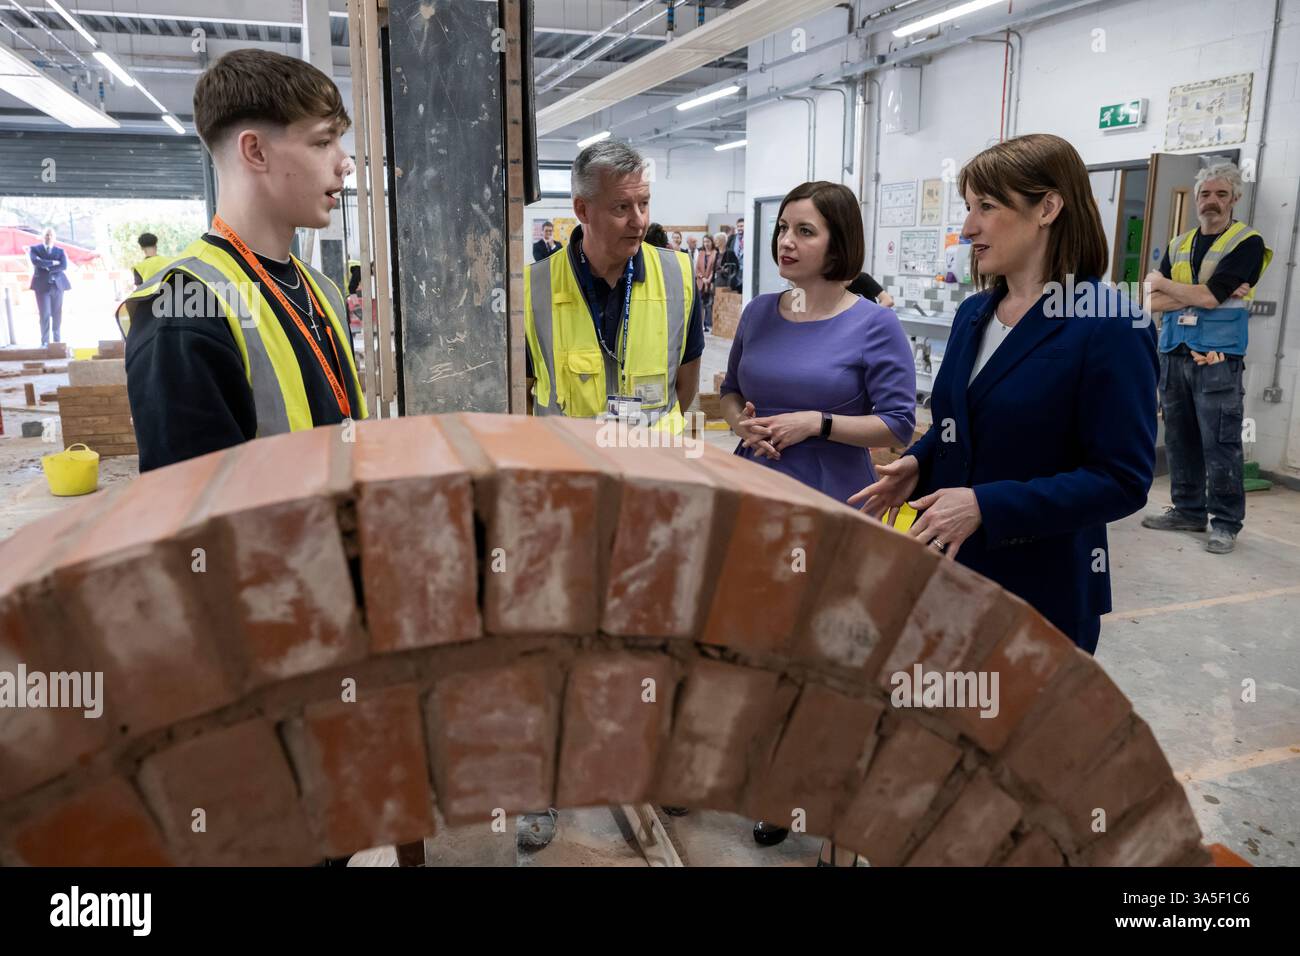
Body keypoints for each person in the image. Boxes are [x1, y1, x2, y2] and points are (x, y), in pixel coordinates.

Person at [854, 131, 1157, 655]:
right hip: (951, 575)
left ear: (1048, 207)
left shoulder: (1110, 323)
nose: (968, 227)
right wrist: (922, 461)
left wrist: (987, 506)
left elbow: (1122, 479)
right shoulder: (976, 313)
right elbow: (963, 421)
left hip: (1041, 595)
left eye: (986, 207)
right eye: (968, 207)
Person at [719, 181, 916, 862]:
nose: (786, 242)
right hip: (757, 497)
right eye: (782, 228)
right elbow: (729, 392)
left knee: (830, 664)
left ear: (839, 242)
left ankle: (834, 799)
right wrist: (746, 422)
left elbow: (898, 424)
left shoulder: (873, 323)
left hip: (836, 511)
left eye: (804, 231)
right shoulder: (758, 313)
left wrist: (818, 423)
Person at [519, 139, 704, 848]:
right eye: (622, 207)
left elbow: (687, 385)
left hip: (657, 497)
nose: (637, 219)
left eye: (645, 204)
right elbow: (523, 396)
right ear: (582, 210)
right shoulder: (533, 287)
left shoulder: (676, 275)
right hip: (566, 499)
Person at [118, 48, 367, 472]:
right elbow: (192, 515)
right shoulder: (183, 308)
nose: (344, 162)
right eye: (323, 141)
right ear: (255, 151)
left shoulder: (321, 289)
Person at [1140, 161, 1272, 554]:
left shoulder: (1246, 243)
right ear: (1196, 198)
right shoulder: (1181, 242)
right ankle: (1188, 510)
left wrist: (1164, 283)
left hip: (1217, 357)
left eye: (1220, 194)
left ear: (1234, 198)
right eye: (1205, 194)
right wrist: (1189, 292)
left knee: (1221, 440)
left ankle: (1226, 523)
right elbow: (1149, 300)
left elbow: (1209, 298)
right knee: (1179, 437)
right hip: (1175, 350)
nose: (1211, 201)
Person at [28, 228, 70, 347]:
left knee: (57, 313)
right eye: (47, 235)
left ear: (54, 237)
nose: (49, 237)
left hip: (57, 286)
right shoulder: (35, 249)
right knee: (45, 314)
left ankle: (57, 341)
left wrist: (46, 265)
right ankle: (45, 341)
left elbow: (63, 266)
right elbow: (36, 262)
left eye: (51, 235)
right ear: (43, 236)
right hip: (41, 286)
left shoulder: (60, 251)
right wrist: (53, 263)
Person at [695, 233, 719, 333]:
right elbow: (697, 268)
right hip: (700, 282)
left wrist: (709, 278)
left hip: (710, 282)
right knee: (700, 305)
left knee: (709, 303)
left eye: (708, 241)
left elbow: (715, 267)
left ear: (712, 242)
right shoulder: (701, 252)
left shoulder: (715, 253)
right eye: (704, 241)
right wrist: (702, 277)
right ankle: (701, 325)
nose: (706, 244)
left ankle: (710, 324)